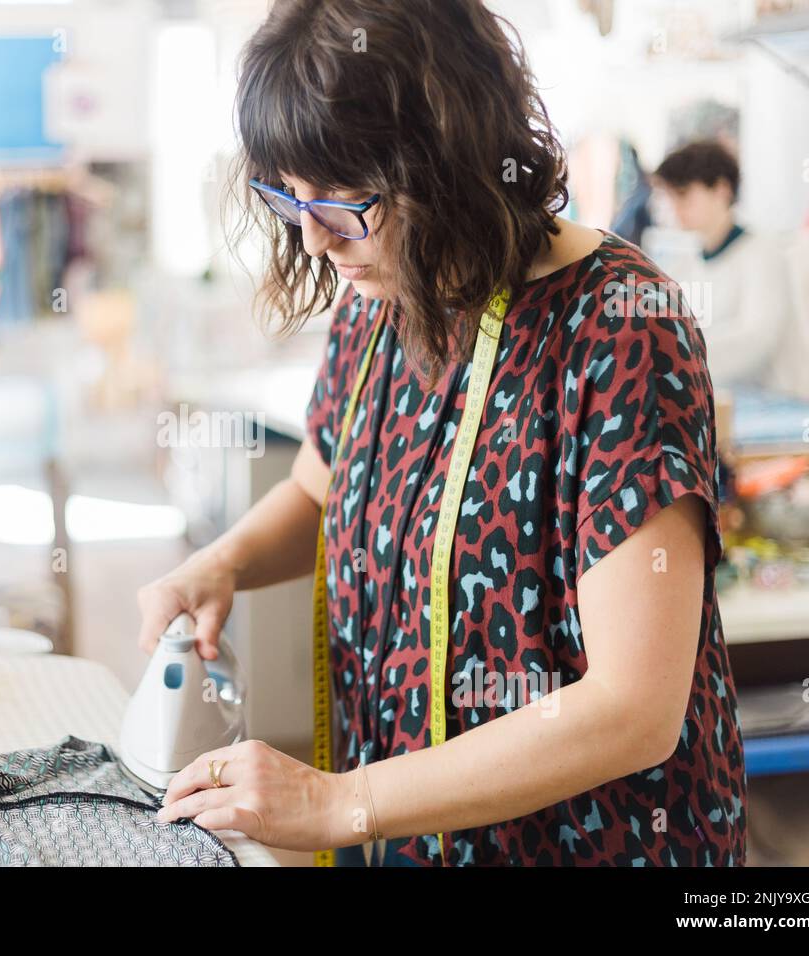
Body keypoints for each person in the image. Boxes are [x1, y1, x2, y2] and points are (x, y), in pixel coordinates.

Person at [138, 0, 746, 866]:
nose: (313, 241)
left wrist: (340, 801)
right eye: (288, 198)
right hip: (402, 830)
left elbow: (633, 709)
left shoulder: (620, 329)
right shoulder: (381, 296)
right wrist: (220, 564)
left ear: (449, 161)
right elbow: (322, 486)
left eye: (344, 203)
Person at [654, 140, 800, 393]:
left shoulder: (762, 253)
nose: (675, 208)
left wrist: (675, 356)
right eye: (670, 197)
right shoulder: (684, 264)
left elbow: (757, 339)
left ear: (721, 190)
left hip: (764, 397)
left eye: (684, 195)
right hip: (708, 391)